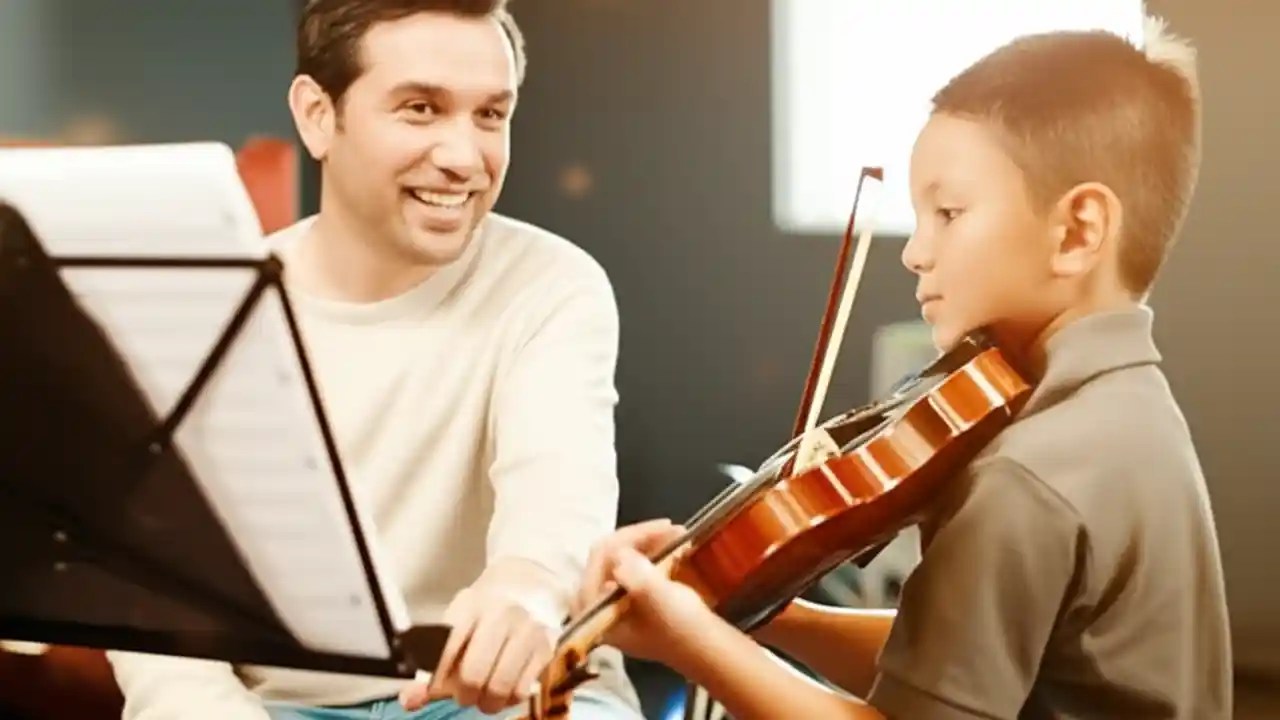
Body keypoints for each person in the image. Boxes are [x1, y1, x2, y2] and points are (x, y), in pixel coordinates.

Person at [571, 14, 1233, 720]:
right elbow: (965, 658)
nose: (915, 252)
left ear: (1076, 232)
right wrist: (769, 613)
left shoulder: (1028, 476)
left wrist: (689, 639)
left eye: (947, 212)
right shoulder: (1130, 410)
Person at [105, 1, 643, 719]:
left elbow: (555, 506)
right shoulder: (209, 311)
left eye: (490, 115)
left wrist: (526, 589)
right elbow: (152, 590)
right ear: (317, 114)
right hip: (278, 706)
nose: (463, 157)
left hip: (506, 697)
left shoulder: (553, 285)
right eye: (421, 109)